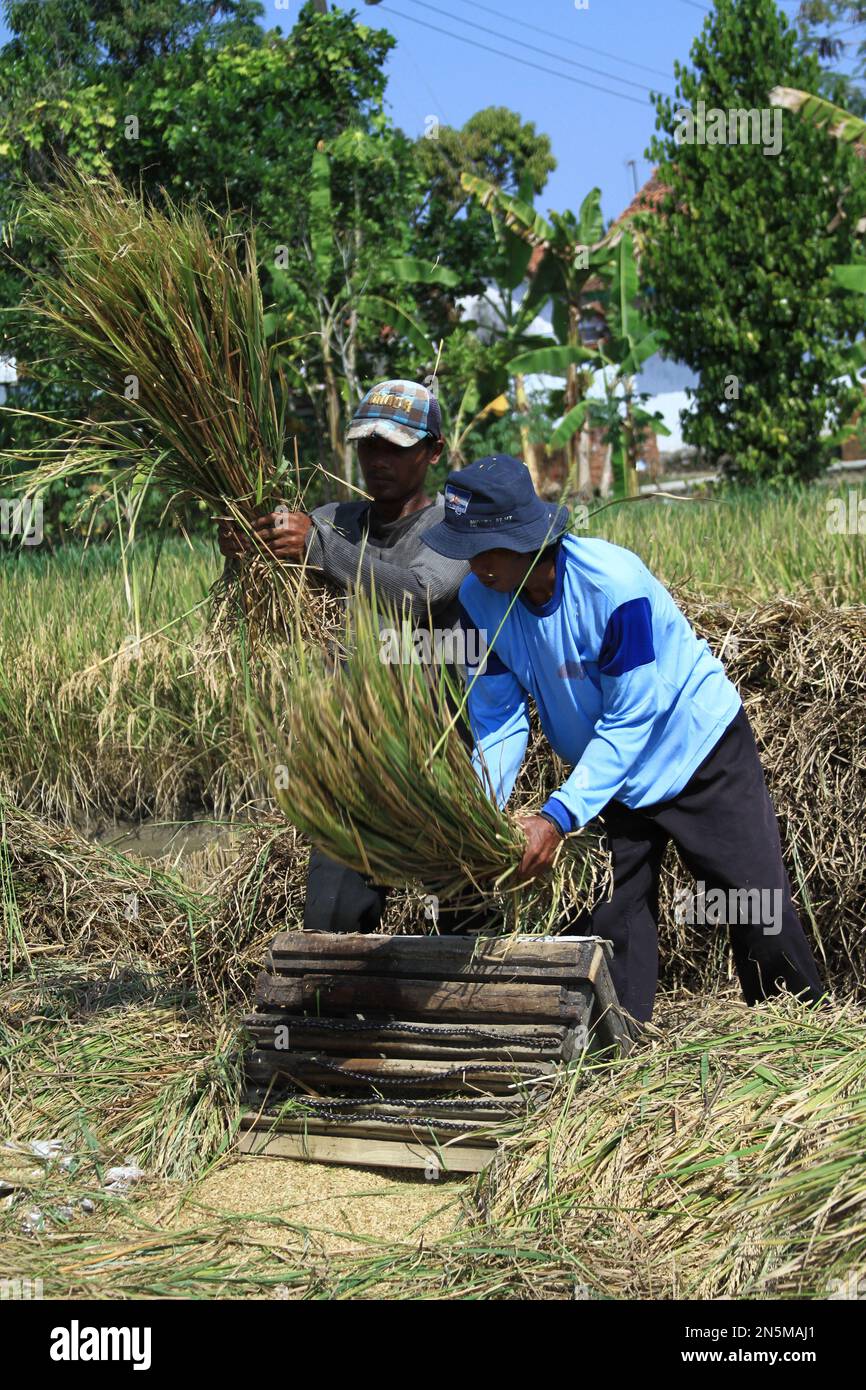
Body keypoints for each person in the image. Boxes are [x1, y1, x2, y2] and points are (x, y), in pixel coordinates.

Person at [421, 453, 826, 1022]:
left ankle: (801, 1031)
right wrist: (479, 814)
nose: (471, 564)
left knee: (755, 905)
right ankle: (618, 1052)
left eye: (481, 549)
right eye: (462, 549)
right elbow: (499, 720)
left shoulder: (615, 588)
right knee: (612, 924)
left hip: (695, 754)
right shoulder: (476, 603)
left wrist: (556, 816)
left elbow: (631, 722)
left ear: (524, 539)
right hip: (608, 777)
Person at [219, 378, 472, 933]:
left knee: (461, 924)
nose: (378, 459)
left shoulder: (454, 528)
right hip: (351, 762)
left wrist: (319, 550)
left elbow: (418, 592)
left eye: (396, 447)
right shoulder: (334, 519)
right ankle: (337, 1015)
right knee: (331, 924)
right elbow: (269, 609)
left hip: (437, 759)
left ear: (433, 452)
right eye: (368, 445)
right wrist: (247, 554)